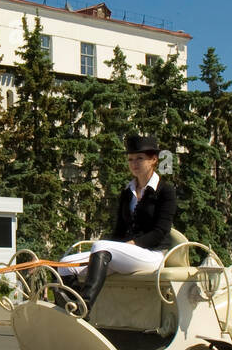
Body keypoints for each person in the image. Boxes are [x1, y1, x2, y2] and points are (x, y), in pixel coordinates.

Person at [57, 133, 177, 317]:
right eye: (130, 159)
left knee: (100, 245)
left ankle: (84, 306)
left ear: (153, 160)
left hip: (152, 255)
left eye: (139, 158)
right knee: (64, 265)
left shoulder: (165, 191)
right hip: (125, 256)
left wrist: (130, 245)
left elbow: (160, 232)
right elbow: (119, 231)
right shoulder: (127, 192)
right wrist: (108, 250)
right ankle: (71, 311)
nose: (134, 163)